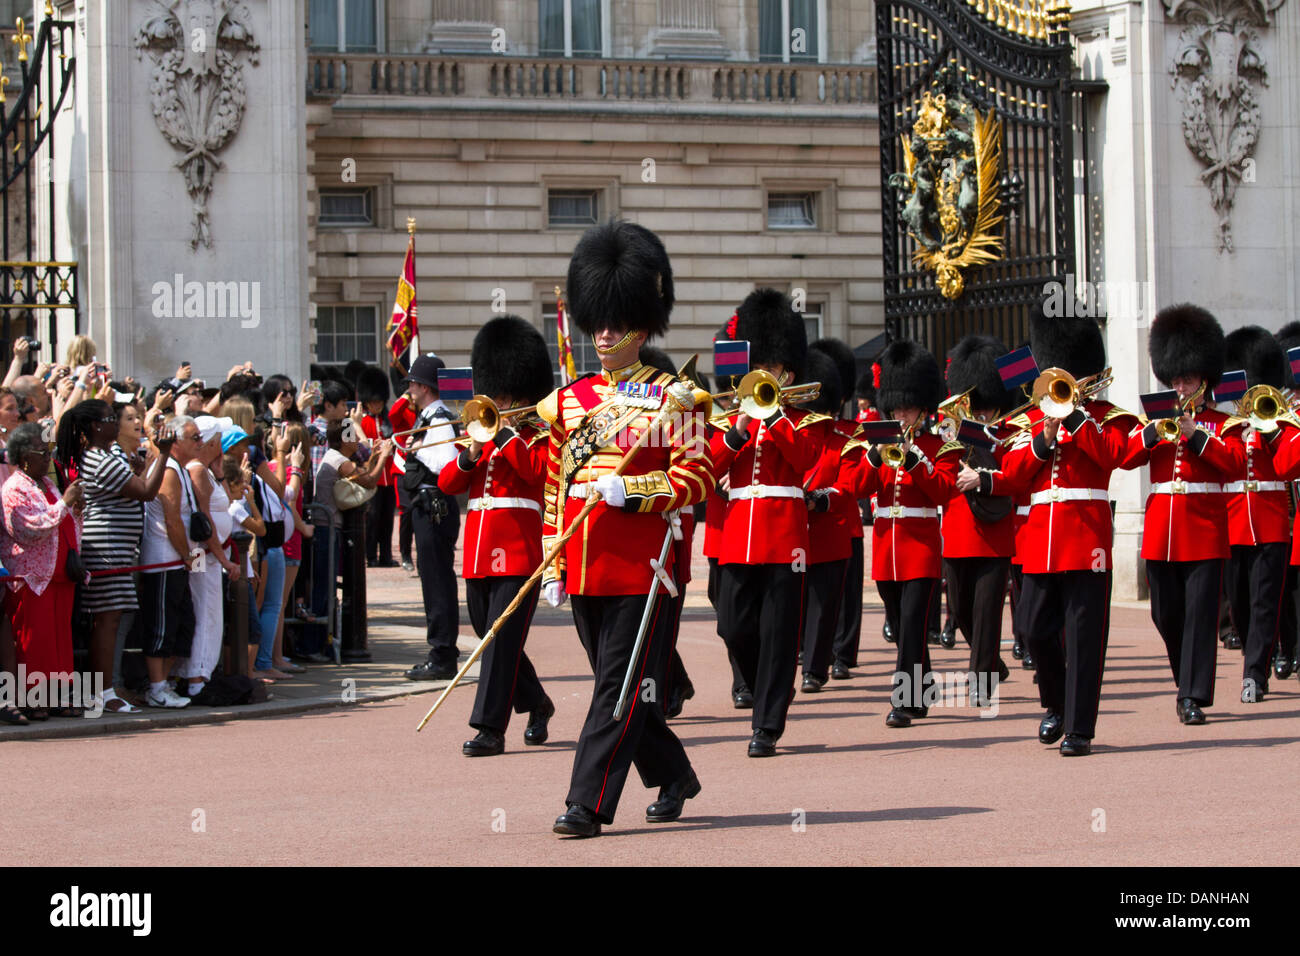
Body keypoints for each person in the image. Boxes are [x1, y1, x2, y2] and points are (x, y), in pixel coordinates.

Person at [544, 220, 714, 837]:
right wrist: (554, 563)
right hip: (587, 566)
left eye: (617, 322)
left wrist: (633, 491)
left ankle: (585, 804)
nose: (605, 333)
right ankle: (673, 774)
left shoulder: (680, 399)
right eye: (599, 321)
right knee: (623, 688)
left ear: (643, 324)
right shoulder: (569, 402)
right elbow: (554, 488)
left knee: (615, 692)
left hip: (647, 569)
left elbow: (697, 479)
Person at [959, 306, 1139, 755]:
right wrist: (1043, 440)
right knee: (1033, 626)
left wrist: (1077, 421)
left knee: (1083, 637)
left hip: (1086, 537)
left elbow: (1118, 455)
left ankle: (1079, 728)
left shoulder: (1107, 416)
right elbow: (1014, 473)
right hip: (1040, 540)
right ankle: (1054, 705)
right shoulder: (1034, 419)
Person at [1120, 305, 1244, 724]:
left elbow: (1234, 463)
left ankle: (1192, 695)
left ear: (1203, 380)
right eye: (1174, 379)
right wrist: (1153, 431)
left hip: (1204, 529)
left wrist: (1196, 436)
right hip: (1161, 529)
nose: (1180, 385)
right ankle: (1184, 679)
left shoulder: (1221, 423)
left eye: (1186, 378)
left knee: (1200, 616)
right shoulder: (1153, 419)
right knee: (1165, 614)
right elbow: (1125, 458)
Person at [438, 315, 556, 756]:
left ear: (524, 396)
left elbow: (536, 473)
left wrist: (505, 434)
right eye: (495, 395)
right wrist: (471, 452)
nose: (498, 403)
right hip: (478, 554)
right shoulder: (479, 435)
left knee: (498, 640)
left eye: (506, 396)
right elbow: (450, 483)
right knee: (494, 637)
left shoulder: (538, 437)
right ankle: (537, 702)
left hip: (520, 553)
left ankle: (490, 727)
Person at [710, 288, 817, 757]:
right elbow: (710, 467)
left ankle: (767, 723)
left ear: (786, 374)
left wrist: (773, 419)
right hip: (738, 536)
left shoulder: (801, 419)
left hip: (784, 536)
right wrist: (736, 432)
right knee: (733, 626)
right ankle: (767, 690)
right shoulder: (733, 417)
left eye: (771, 368)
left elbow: (805, 461)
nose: (762, 376)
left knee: (778, 635)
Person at [844, 341, 962, 727]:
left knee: (912, 626)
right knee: (901, 629)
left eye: (907, 407)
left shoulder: (939, 445)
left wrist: (915, 459)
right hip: (885, 547)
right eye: (895, 407)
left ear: (923, 407)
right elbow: (855, 487)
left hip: (921, 547)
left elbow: (945, 490)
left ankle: (904, 700)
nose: (900, 413)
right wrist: (874, 456)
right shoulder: (875, 442)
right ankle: (924, 691)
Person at [56, 399, 174, 716]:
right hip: (106, 548)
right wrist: (163, 452)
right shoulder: (97, 457)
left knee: (112, 618)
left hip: (116, 548)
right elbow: (147, 491)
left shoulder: (107, 455)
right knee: (106, 621)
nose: (114, 423)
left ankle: (105, 689)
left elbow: (135, 484)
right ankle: (102, 692)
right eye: (110, 418)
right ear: (96, 426)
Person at [943, 336, 1019, 705]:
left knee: (987, 610)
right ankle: (992, 663)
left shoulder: (1012, 434)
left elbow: (1020, 478)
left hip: (994, 531)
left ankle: (981, 680)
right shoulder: (952, 432)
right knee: (959, 610)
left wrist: (985, 478)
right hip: (957, 531)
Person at [1219, 326, 1290, 703]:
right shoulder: (1226, 426)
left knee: (1265, 600)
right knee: (1240, 604)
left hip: (1270, 521)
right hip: (1232, 524)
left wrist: (1271, 431)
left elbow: (1289, 465)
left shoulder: (1282, 424)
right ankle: (1253, 654)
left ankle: (1255, 673)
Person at [1, 423, 84, 719]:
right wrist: (65, 503)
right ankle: (32, 699)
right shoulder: (13, 488)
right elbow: (29, 528)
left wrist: (75, 509)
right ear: (24, 457)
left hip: (59, 575)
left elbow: (64, 520)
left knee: (59, 641)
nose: (48, 457)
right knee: (34, 640)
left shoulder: (47, 485)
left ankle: (57, 697)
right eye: (42, 451)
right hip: (31, 577)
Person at [302, 419, 393, 659]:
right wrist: (383, 456)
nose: (357, 442)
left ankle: (321, 643)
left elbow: (362, 474)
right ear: (344, 440)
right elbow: (370, 481)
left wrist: (372, 458)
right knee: (325, 586)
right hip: (326, 529)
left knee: (326, 586)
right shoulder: (340, 461)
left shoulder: (336, 458)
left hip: (328, 528)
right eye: (353, 437)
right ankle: (313, 645)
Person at [399, 355, 462, 681]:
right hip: (428, 507)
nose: (408, 389)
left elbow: (446, 463)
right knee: (435, 580)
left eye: (412, 384)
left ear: (423, 386)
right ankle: (442, 651)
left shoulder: (436, 418)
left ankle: (442, 654)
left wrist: (418, 447)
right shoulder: (430, 416)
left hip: (434, 506)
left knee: (437, 582)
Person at [138, 415, 201, 708]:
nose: (199, 443)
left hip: (176, 561)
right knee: (162, 625)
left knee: (181, 624)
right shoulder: (169, 471)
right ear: (176, 442)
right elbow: (172, 519)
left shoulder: (180, 468)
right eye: (194, 438)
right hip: (163, 561)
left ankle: (165, 683)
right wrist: (187, 555)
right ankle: (156, 687)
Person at [175, 416, 241, 695]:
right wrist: (224, 560)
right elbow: (204, 520)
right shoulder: (197, 470)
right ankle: (196, 677)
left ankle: (200, 673)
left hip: (210, 554)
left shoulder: (208, 469)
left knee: (210, 611)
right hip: (205, 554)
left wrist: (219, 470)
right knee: (206, 611)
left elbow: (224, 504)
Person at [797, 348, 850, 693]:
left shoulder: (843, 442)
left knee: (822, 607)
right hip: (793, 537)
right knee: (797, 605)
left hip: (829, 533)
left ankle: (816, 668)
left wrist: (821, 500)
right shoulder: (793, 438)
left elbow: (849, 487)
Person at [358, 367, 399, 567]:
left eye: (379, 402)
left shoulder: (388, 419)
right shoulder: (361, 422)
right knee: (372, 519)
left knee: (387, 519)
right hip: (372, 476)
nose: (377, 405)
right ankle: (371, 556)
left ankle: (385, 555)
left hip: (389, 477)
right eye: (374, 402)